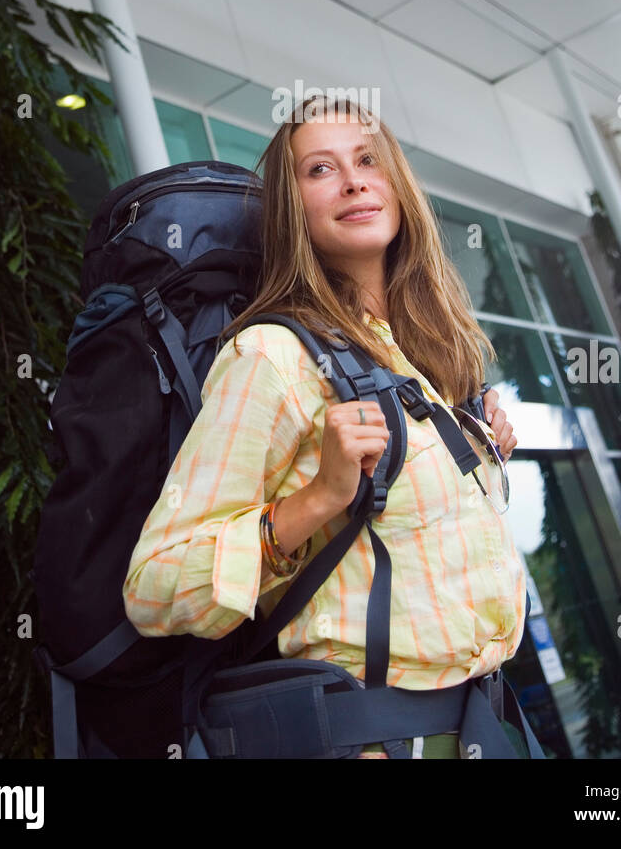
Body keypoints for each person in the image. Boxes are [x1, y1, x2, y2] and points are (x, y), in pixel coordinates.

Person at [123, 94, 529, 759]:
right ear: (294, 210)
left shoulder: (424, 353)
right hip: (376, 737)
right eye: (320, 169)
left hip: (483, 720)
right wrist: (315, 501)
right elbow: (156, 585)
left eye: (368, 159)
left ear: (397, 182)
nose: (353, 180)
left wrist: (482, 449)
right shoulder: (272, 357)